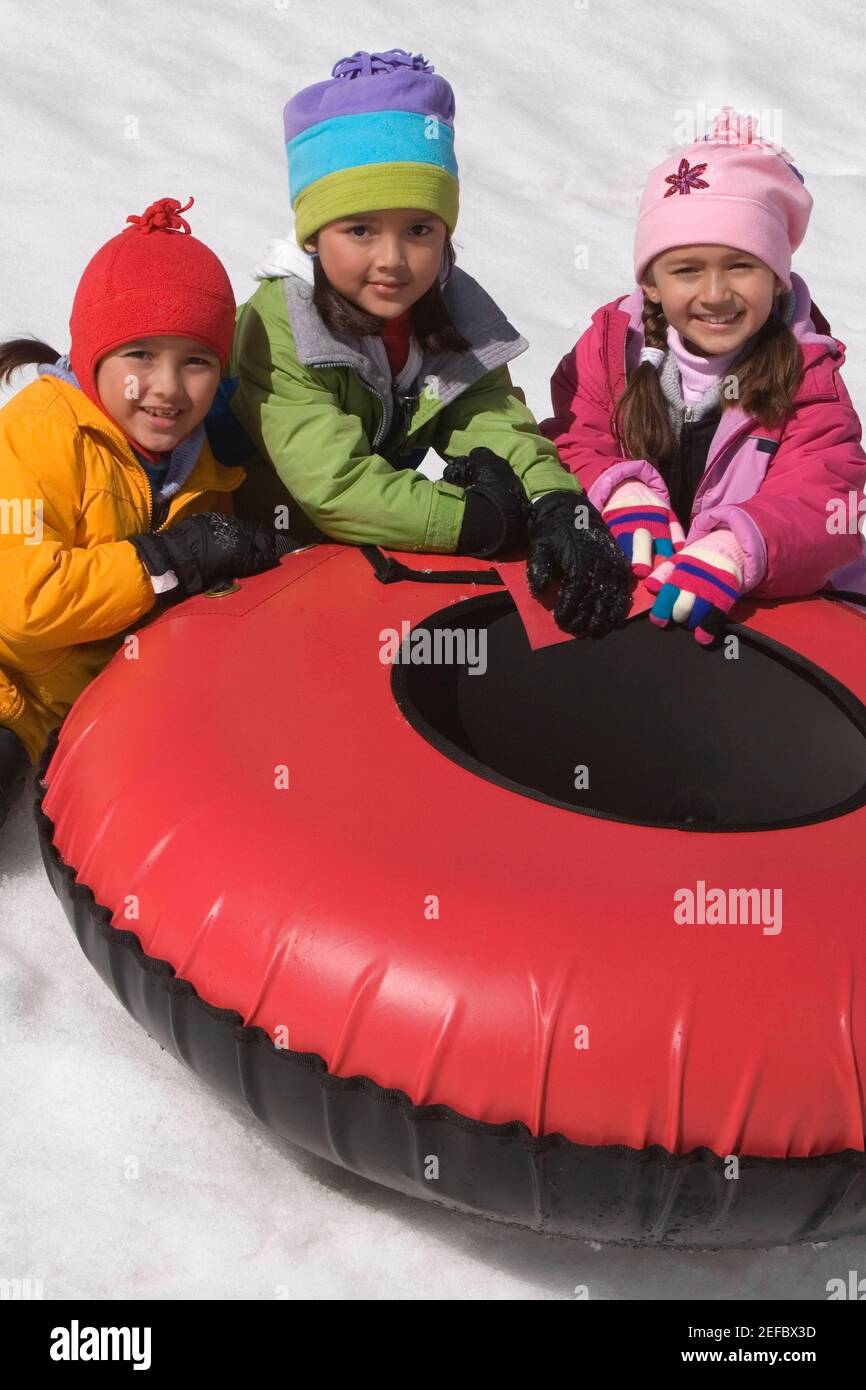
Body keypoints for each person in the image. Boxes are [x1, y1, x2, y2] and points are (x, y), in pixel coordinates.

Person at [215, 48, 630, 637]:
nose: (392, 260)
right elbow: (333, 484)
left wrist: (557, 504)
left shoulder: (442, 308)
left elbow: (489, 417)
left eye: (419, 230)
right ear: (312, 238)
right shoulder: (279, 324)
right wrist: (474, 521)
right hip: (245, 561)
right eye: (360, 229)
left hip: (344, 558)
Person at [0, 196, 287, 830]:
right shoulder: (38, 434)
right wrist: (166, 561)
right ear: (94, 355)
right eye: (139, 356)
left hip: (85, 712)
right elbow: (21, 604)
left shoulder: (206, 470)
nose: (165, 387)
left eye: (195, 361)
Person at [541, 108, 866, 645]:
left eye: (741, 265)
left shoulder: (806, 374)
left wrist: (740, 546)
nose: (715, 294)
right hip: (640, 602)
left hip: (767, 618)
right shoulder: (609, 350)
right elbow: (573, 437)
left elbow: (828, 496)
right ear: (649, 282)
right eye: (687, 269)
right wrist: (617, 491)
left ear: (778, 278)